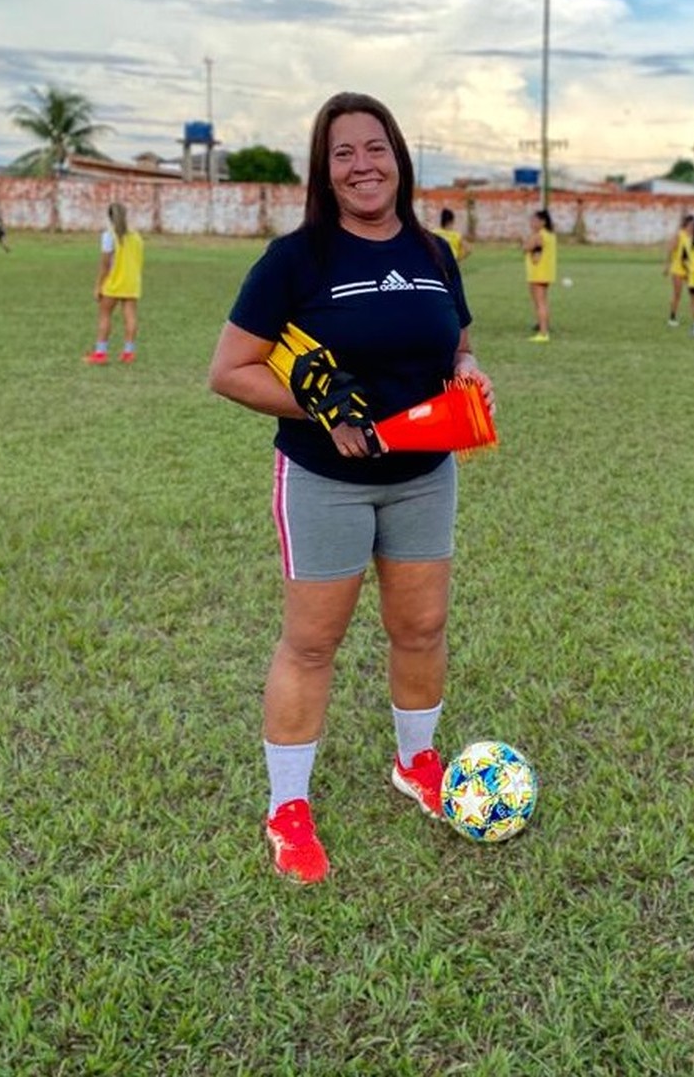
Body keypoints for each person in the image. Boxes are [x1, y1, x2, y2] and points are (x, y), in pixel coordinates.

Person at [207, 91, 495, 883]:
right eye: (344, 153)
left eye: (376, 148)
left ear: (399, 158)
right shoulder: (296, 259)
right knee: (312, 641)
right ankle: (288, 808)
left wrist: (469, 376)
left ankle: (417, 764)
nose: (363, 164)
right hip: (326, 480)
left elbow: (458, 344)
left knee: (423, 627)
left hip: (424, 474)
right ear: (324, 171)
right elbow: (228, 371)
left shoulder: (436, 254)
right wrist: (320, 404)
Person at [84, 201, 144, 364]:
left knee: (105, 315)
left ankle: (100, 353)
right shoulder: (136, 236)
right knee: (130, 317)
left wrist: (98, 285)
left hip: (114, 282)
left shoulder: (109, 235)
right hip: (131, 282)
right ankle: (128, 353)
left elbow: (105, 264)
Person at [522, 208, 557, 343]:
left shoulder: (539, 235)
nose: (531, 223)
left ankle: (543, 333)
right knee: (543, 301)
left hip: (538, 273)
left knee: (540, 303)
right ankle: (543, 326)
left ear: (542, 222)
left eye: (534, 220)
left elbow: (526, 248)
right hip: (546, 272)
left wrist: (524, 240)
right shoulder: (550, 234)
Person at [663, 213, 694, 327]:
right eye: (692, 224)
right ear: (687, 224)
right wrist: (666, 265)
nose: (693, 226)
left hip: (690, 268)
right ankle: (672, 317)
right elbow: (670, 250)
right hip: (678, 268)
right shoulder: (679, 235)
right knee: (677, 294)